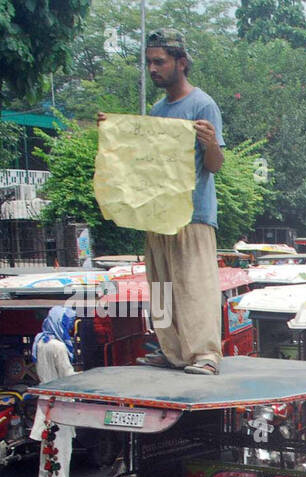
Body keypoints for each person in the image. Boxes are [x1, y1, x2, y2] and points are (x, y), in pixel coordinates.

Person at [101, 29, 225, 376]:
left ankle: (205, 354)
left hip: (193, 213)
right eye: (149, 62)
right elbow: (147, 160)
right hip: (160, 213)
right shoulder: (158, 108)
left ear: (181, 63)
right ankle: (172, 351)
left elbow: (214, 166)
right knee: (162, 285)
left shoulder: (203, 104)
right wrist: (113, 131)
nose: (153, 69)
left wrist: (212, 142)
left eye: (160, 62)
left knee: (194, 285)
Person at [29, 306, 78, 477]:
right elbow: (67, 375)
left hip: (45, 398)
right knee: (61, 449)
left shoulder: (40, 341)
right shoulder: (57, 346)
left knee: (47, 446)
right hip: (59, 401)